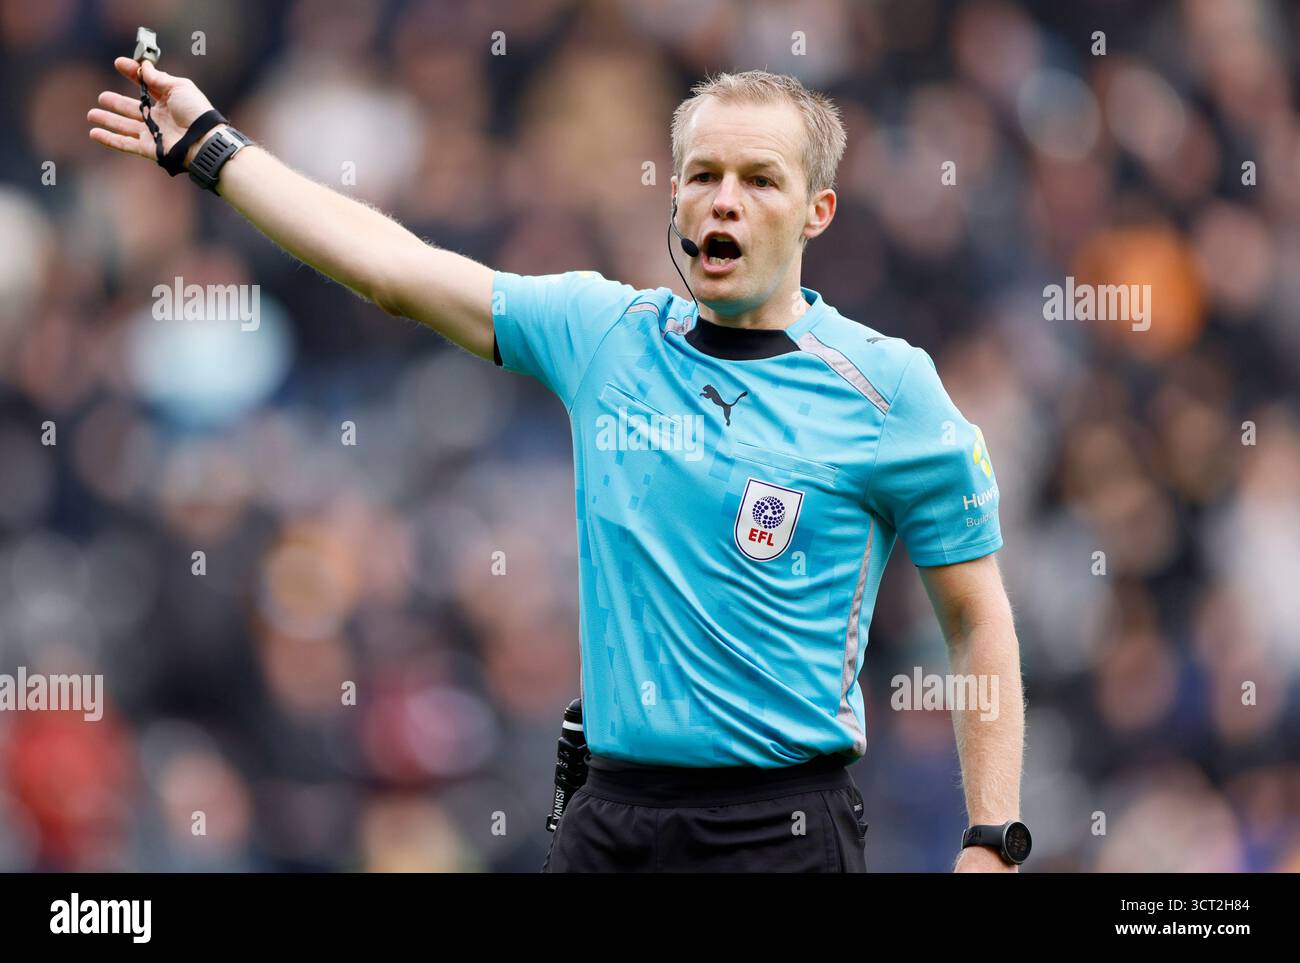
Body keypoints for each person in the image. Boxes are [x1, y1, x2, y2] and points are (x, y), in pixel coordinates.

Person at [89, 61, 1026, 873]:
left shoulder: (888, 388)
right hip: (610, 819)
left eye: (759, 179)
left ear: (818, 210)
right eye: (702, 174)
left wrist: (992, 832)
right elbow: (395, 268)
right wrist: (214, 149)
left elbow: (976, 614)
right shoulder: (603, 335)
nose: (724, 199)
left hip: (780, 830)